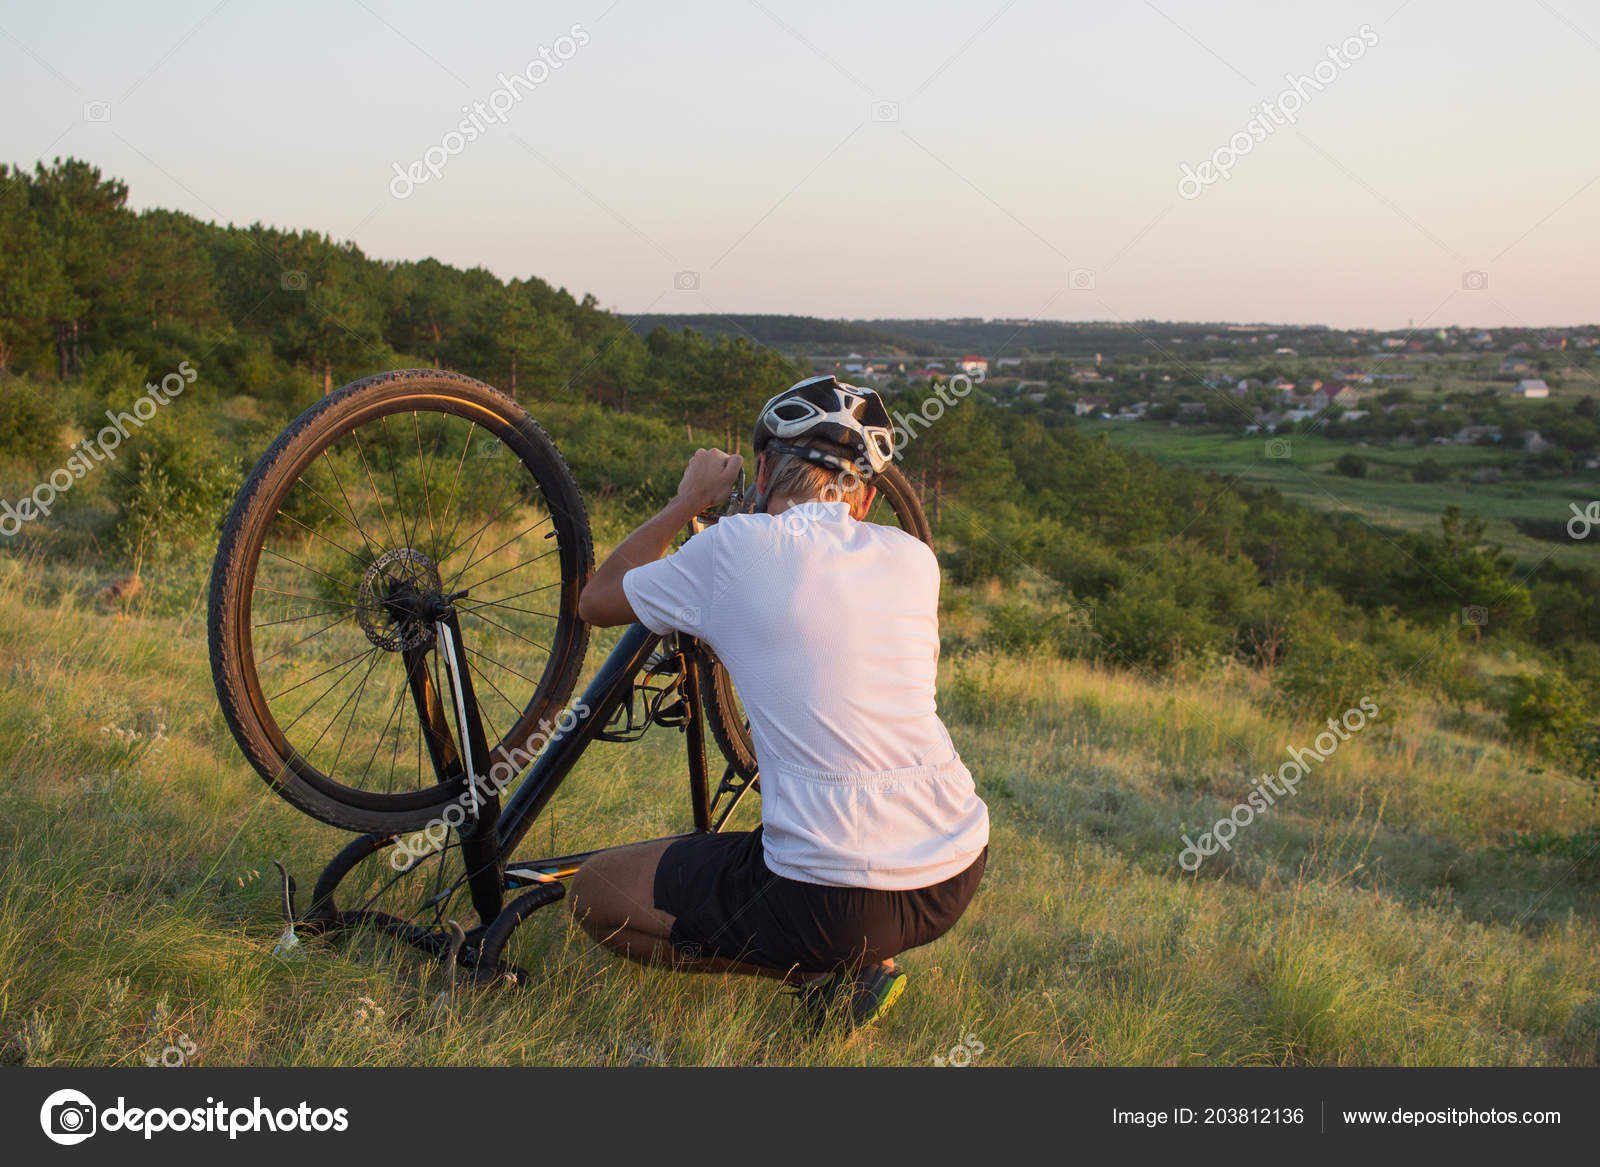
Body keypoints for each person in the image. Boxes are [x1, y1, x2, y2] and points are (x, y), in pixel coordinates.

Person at [571, 375, 989, 1027]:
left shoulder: (731, 549)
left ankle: (839, 971)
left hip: (834, 898)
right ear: (869, 497)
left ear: (762, 467)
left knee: (593, 894)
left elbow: (596, 601)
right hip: (954, 866)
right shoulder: (914, 559)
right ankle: (848, 955)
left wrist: (689, 501)